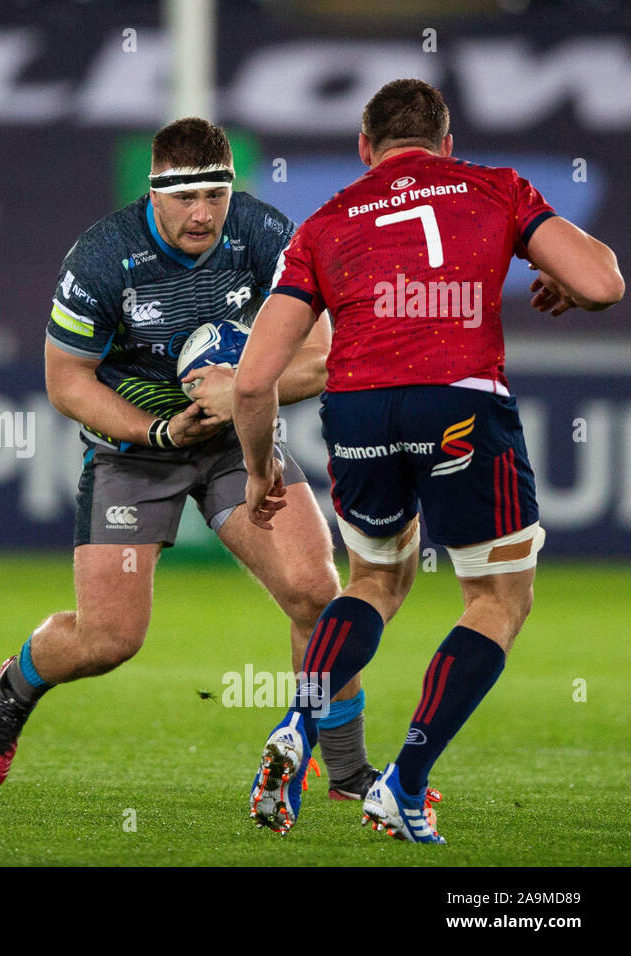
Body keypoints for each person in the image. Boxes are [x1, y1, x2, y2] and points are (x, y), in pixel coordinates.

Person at [234, 79, 623, 842]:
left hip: (358, 410)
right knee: (498, 600)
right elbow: (603, 282)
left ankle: (295, 726)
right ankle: (403, 783)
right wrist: (565, 289)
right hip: (459, 407)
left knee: (376, 582)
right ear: (447, 143)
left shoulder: (326, 221)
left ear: (363, 148)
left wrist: (258, 470)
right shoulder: (493, 186)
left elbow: (253, 381)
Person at [0, 118, 381, 798]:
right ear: (152, 192)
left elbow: (328, 357)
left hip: (236, 438)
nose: (202, 214)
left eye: (215, 196)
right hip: (135, 450)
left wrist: (244, 390)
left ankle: (345, 771)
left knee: (316, 592)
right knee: (109, 640)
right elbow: (66, 381)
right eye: (185, 198)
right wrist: (158, 433)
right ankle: (12, 691)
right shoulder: (102, 258)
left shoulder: (266, 236)